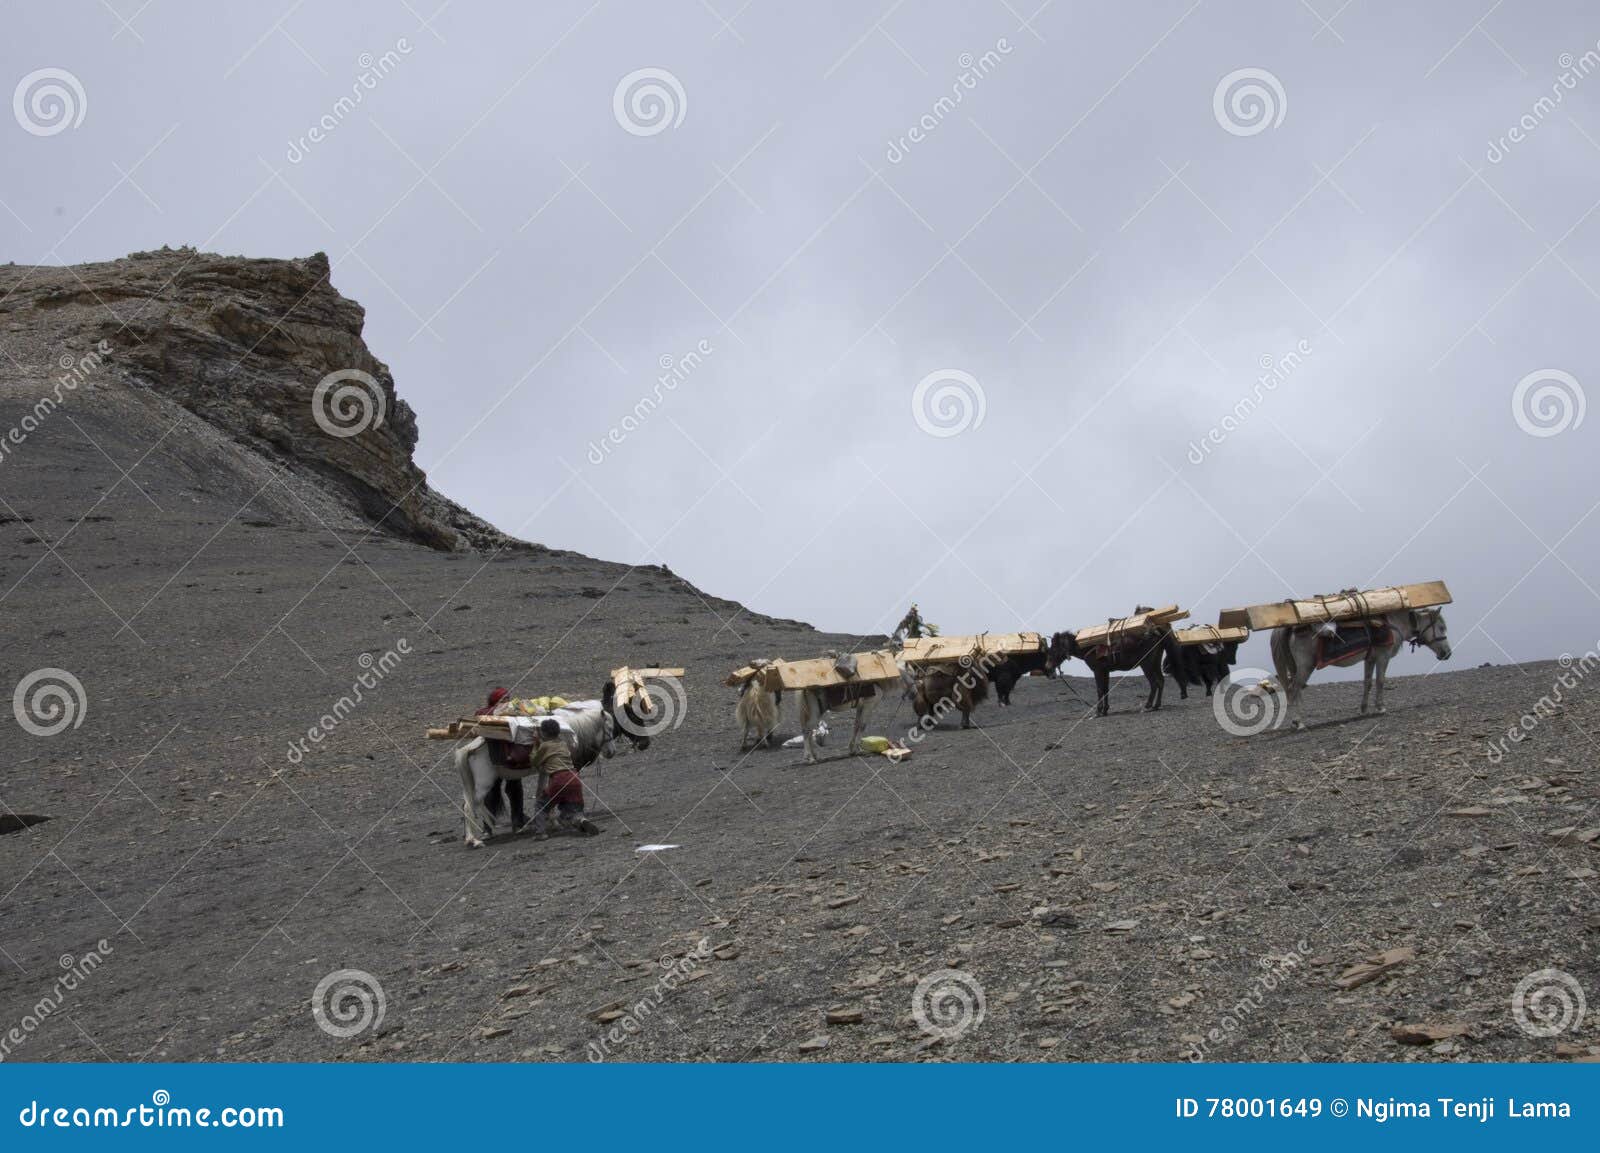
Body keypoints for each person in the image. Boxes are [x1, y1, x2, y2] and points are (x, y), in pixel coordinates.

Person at [531, 718, 598, 837]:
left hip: (558, 779)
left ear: (544, 733)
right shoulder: (563, 744)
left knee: (541, 805)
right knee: (572, 810)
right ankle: (582, 821)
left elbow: (535, 761)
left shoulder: (544, 746)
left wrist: (536, 744)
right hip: (574, 778)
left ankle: (540, 832)